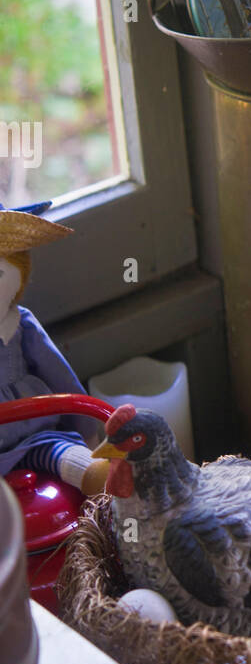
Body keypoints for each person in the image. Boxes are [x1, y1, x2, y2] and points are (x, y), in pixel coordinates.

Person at [0, 202, 108, 496]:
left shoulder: (19, 324)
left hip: (34, 431)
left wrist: (87, 428)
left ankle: (96, 476)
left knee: (60, 450)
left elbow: (57, 372)